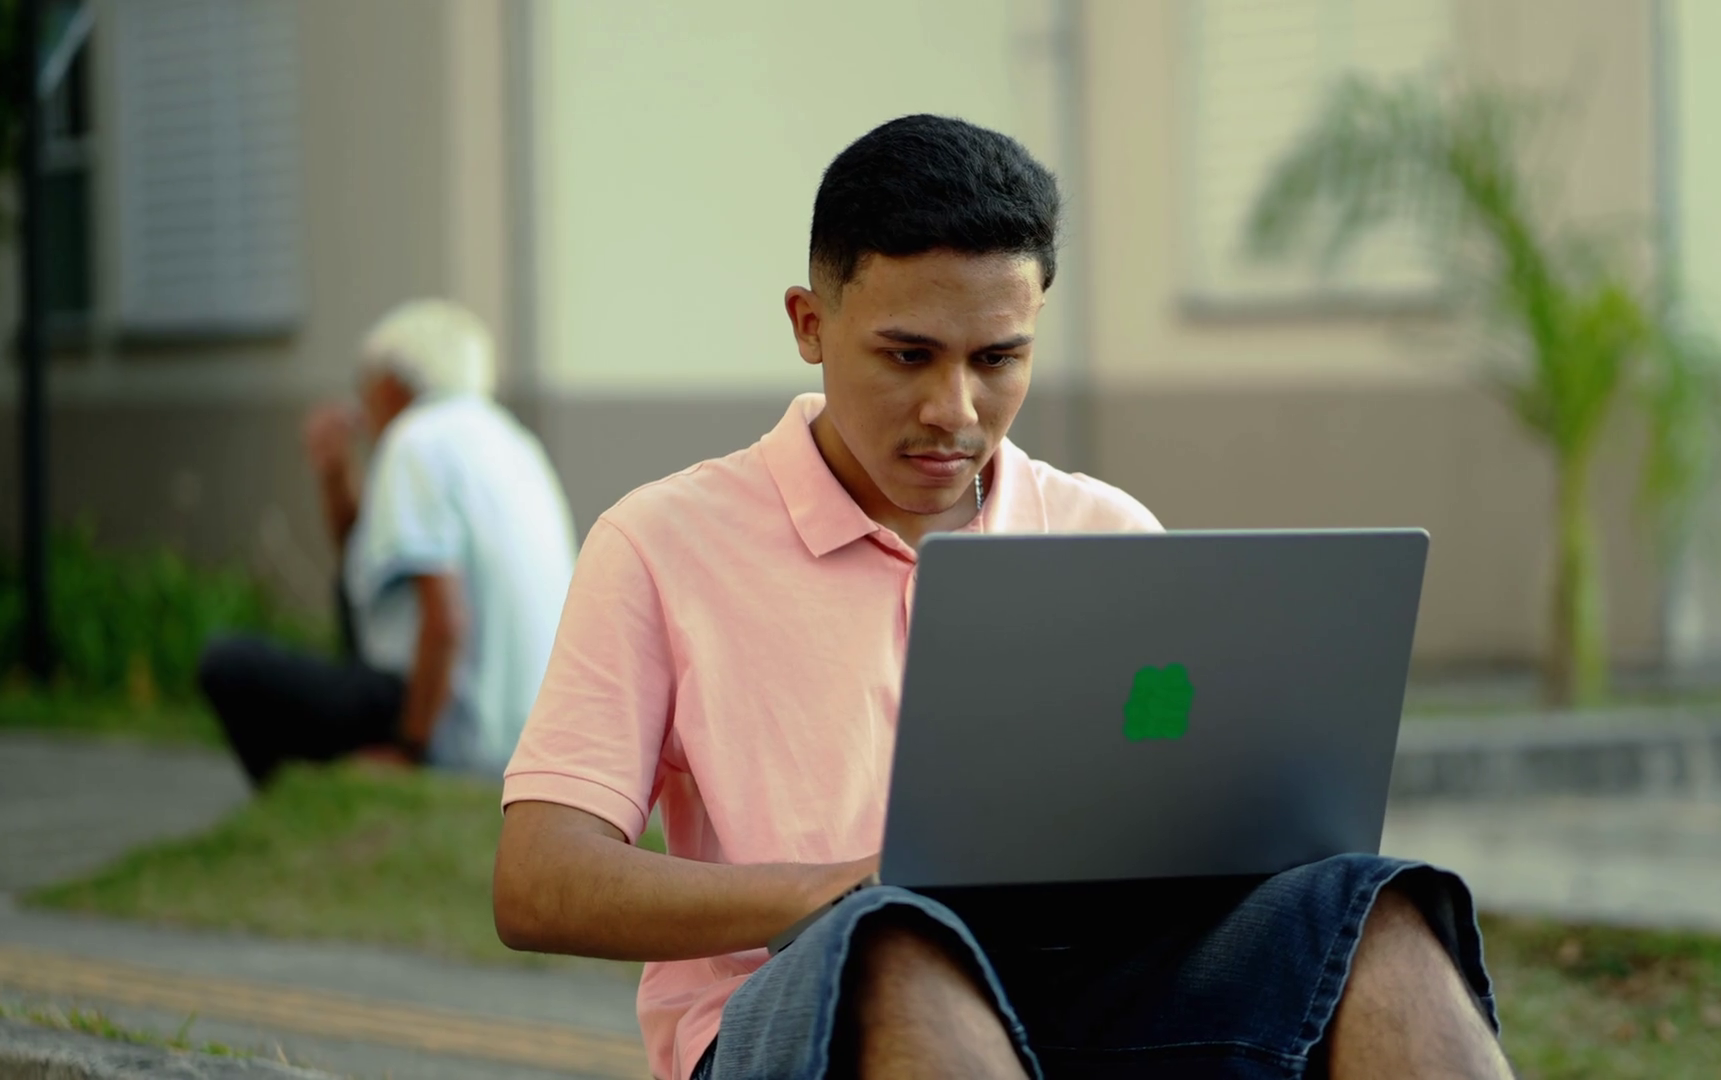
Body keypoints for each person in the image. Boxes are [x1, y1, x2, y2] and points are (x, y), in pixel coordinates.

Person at [492, 116, 1511, 1080]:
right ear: (810, 324)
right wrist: (839, 888)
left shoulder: (1107, 534)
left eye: (998, 359)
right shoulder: (662, 543)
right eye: (908, 356)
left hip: (1093, 1002)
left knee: (1372, 908)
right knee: (895, 939)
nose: (954, 411)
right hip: (802, 1020)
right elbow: (540, 879)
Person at [199, 299, 577, 785]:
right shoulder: (513, 441)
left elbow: (446, 618)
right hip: (527, 734)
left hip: (458, 733)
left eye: (365, 385)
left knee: (229, 665)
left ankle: (295, 800)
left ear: (394, 384)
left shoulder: (416, 440)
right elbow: (366, 563)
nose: (360, 404)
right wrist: (336, 475)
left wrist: (410, 750)